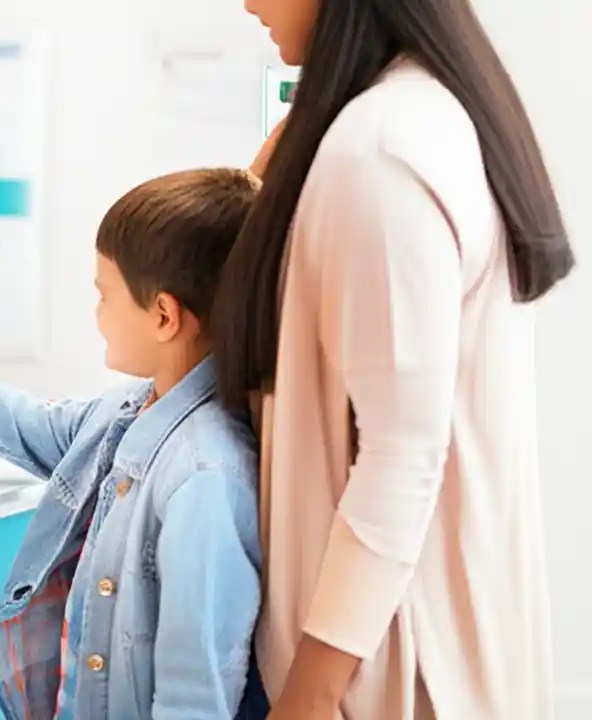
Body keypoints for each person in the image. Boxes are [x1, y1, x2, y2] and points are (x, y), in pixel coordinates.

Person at [213, 1, 575, 718]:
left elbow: (402, 455)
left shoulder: (379, 148)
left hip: (388, 673)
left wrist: (308, 695)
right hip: (423, 649)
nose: (247, 2)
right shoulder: (419, 120)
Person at [0, 169, 267, 719]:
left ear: (163, 316)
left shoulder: (204, 479)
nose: (96, 313)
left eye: (104, 295)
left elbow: (195, 695)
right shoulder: (123, 414)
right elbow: (27, 425)